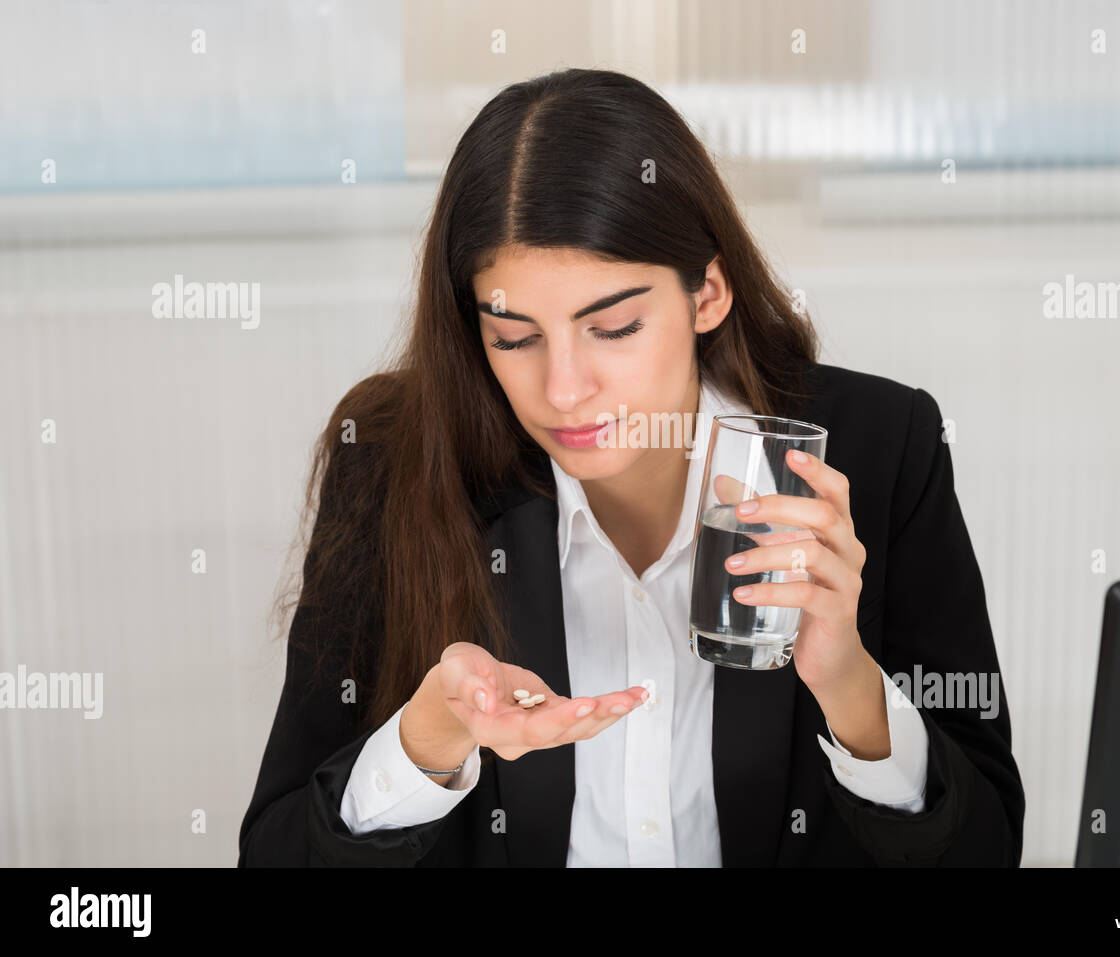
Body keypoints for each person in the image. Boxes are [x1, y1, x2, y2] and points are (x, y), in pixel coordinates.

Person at [237, 67, 1024, 867]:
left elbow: (988, 845)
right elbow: (274, 853)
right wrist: (427, 740)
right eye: (514, 338)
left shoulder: (880, 449)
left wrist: (852, 686)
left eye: (612, 326)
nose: (565, 389)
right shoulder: (390, 464)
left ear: (707, 292)